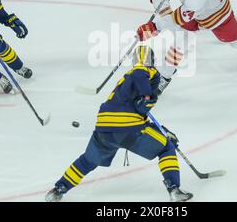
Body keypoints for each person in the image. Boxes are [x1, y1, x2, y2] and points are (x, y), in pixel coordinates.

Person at [45, 45, 193, 202]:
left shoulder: (126, 80)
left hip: (104, 127)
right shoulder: (144, 71)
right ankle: (174, 190)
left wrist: (161, 130)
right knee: (166, 148)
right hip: (128, 127)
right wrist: (147, 96)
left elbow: (139, 111)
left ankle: (58, 190)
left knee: (88, 160)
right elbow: (141, 72)